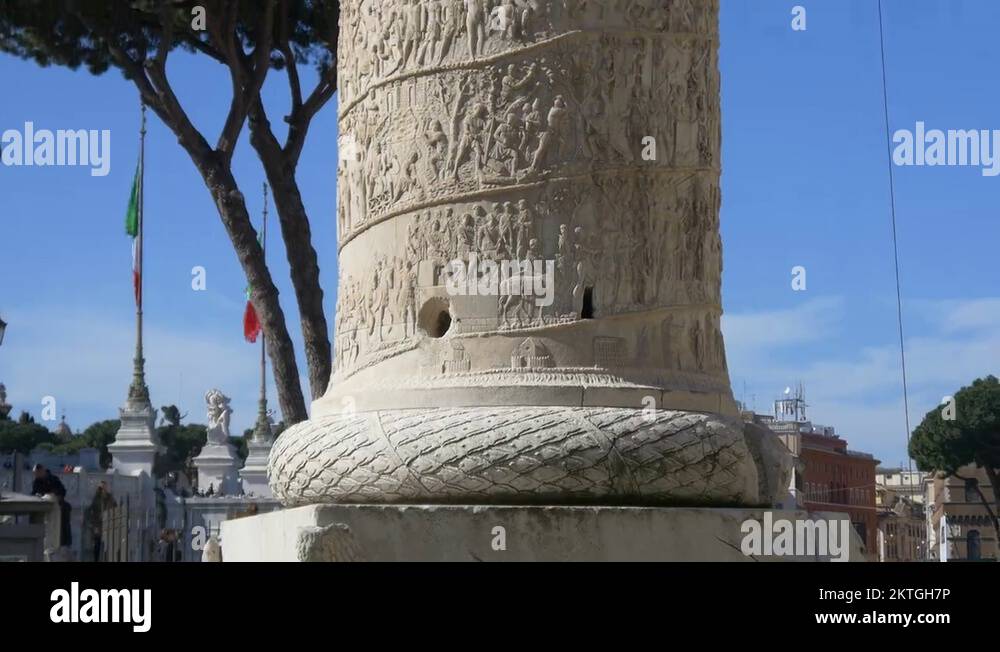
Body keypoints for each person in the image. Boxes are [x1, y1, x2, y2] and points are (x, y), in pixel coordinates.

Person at [31, 464, 72, 547]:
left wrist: (53, 495)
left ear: (41, 471)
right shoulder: (37, 481)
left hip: (56, 506)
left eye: (36, 473)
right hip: (43, 507)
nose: (35, 475)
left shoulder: (53, 479)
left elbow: (62, 492)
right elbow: (34, 493)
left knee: (61, 530)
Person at [87, 480, 116, 562]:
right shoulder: (96, 498)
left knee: (108, 545)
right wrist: (91, 521)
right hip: (98, 525)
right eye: (101, 487)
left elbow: (115, 507)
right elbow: (91, 509)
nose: (103, 489)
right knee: (97, 544)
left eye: (104, 487)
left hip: (108, 524)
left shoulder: (110, 497)